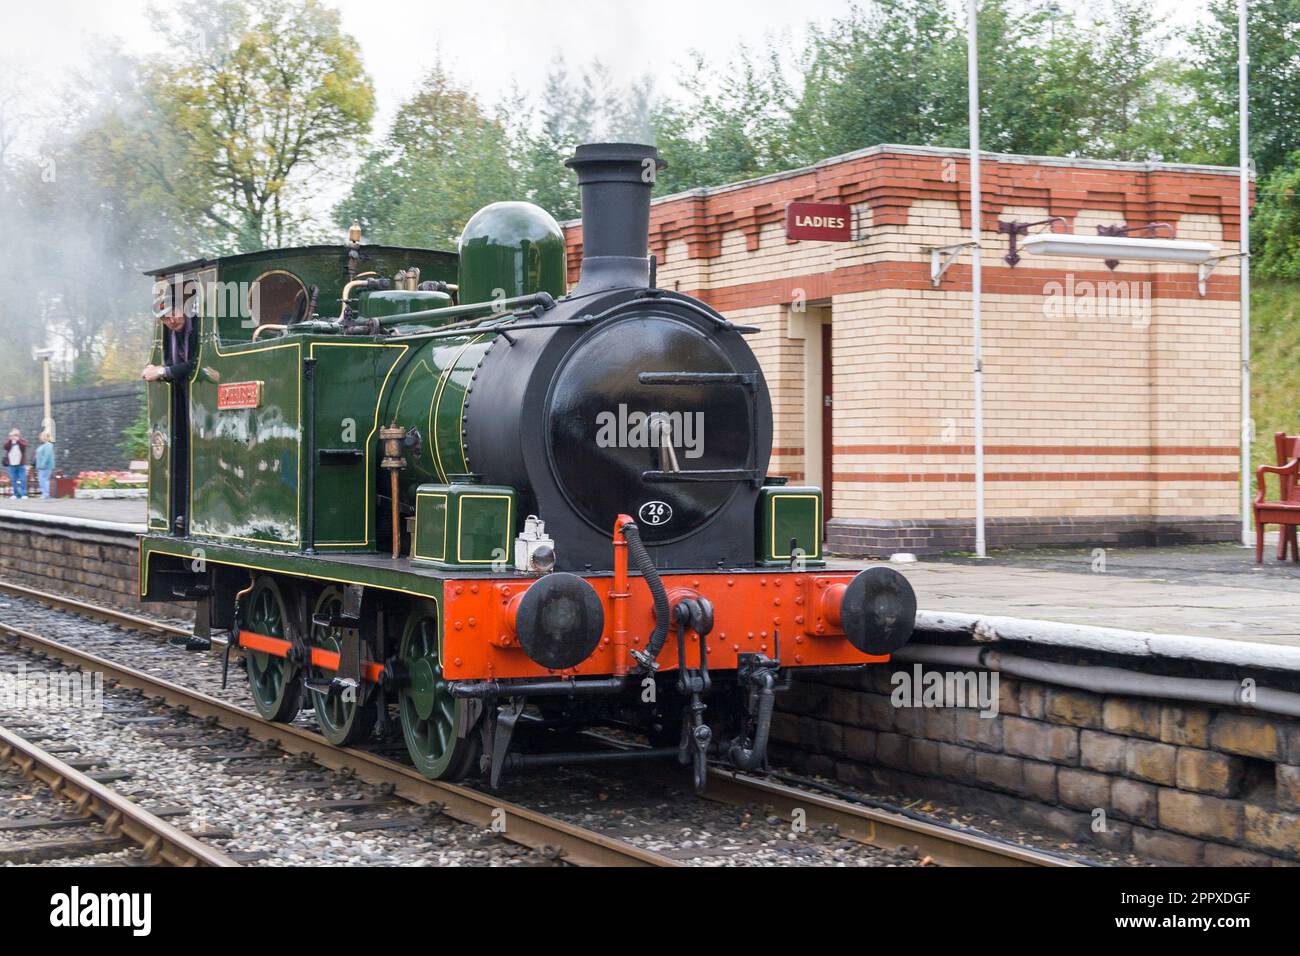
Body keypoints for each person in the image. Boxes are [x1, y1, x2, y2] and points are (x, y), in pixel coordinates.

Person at [140, 283, 199, 535]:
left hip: (199, 400)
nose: (170, 321)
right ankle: (181, 513)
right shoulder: (170, 334)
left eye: (172, 315)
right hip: (181, 400)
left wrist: (163, 371)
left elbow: (196, 363)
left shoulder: (197, 328)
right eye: (164, 319)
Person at [3, 429, 27, 499]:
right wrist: (10, 440)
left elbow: (24, 447)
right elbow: (5, 447)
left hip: (20, 464)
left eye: (16, 435)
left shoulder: (22, 441)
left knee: (23, 479)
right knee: (13, 480)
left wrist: (18, 440)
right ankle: (16, 494)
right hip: (11, 465)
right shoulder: (10, 442)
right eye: (13, 435)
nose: (14, 436)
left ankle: (23, 494)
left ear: (19, 435)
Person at [34, 431, 55, 499]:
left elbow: (47, 455)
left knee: (44, 479)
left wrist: (43, 463)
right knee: (42, 479)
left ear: (45, 437)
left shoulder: (48, 445)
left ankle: (46, 493)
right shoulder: (44, 445)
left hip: (45, 466)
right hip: (41, 466)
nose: (40, 437)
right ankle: (45, 493)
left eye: (41, 436)